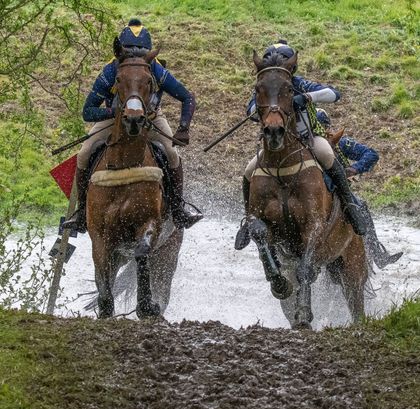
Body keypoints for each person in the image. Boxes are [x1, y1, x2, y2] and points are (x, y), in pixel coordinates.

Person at [63, 18, 203, 233]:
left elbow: (187, 97)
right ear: (120, 54)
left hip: (151, 118)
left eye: (140, 55)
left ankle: (178, 208)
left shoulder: (156, 69)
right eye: (129, 54)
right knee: (84, 153)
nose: (135, 59)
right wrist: (115, 112)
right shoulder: (110, 72)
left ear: (148, 56)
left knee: (171, 154)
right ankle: (82, 212)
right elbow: (88, 111)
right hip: (114, 119)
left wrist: (183, 127)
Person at [235, 40, 366, 251]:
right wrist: (265, 105)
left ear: (291, 68)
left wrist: (305, 97)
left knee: (327, 155)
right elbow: (251, 111)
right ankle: (248, 219)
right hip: (275, 142)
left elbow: (334, 94)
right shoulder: (264, 87)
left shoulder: (299, 83)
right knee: (249, 171)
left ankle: (350, 206)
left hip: (309, 139)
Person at [316, 108, 403, 269]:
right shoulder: (303, 148)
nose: (326, 132)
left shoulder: (341, 143)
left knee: (361, 206)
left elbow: (371, 154)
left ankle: (377, 254)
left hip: (336, 190)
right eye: (323, 128)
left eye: (326, 128)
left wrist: (354, 169)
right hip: (315, 192)